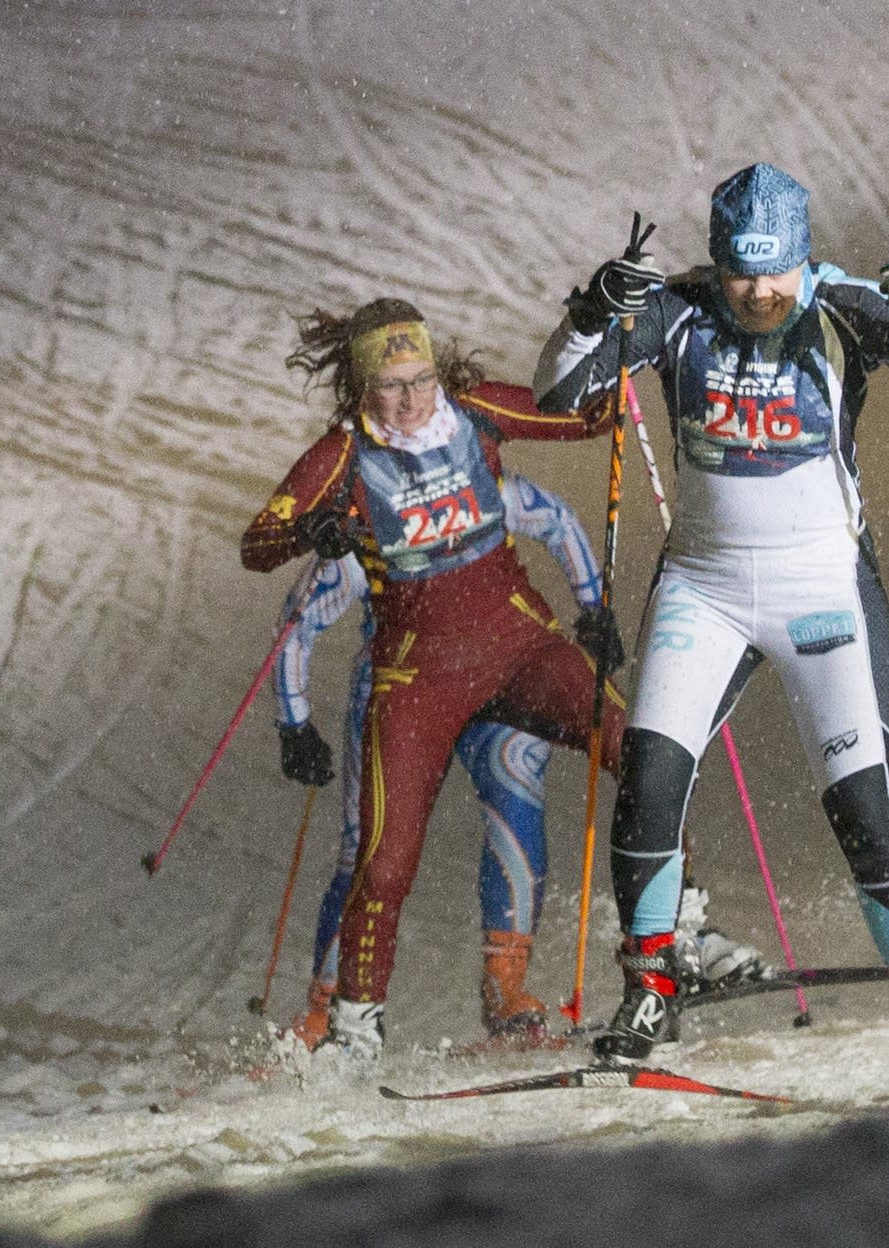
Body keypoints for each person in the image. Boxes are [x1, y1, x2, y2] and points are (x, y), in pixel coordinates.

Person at [534, 162, 889, 1080]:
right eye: (742, 273)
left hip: (822, 589)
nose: (759, 292)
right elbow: (563, 391)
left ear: (803, 255)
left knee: (866, 809)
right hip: (704, 589)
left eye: (776, 270)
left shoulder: (841, 307)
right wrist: (592, 310)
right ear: (718, 262)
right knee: (649, 779)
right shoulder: (676, 310)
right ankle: (651, 987)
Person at [242, 298, 627, 1059]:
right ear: (363, 388)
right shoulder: (343, 458)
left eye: (421, 379)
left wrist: (612, 330)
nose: (412, 399)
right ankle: (341, 1023)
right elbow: (262, 551)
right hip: (413, 677)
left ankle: (606, 964)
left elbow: (589, 421)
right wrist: (311, 532)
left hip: (514, 651)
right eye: (391, 386)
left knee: (588, 766)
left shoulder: (474, 414)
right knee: (377, 856)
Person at [271, 538, 763, 1050]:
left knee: (525, 796)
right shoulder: (374, 510)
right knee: (370, 847)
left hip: (506, 664)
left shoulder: (485, 496)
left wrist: (594, 607)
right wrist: (293, 723)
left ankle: (525, 987)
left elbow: (555, 520)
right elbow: (300, 618)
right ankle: (328, 1011)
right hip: (405, 680)